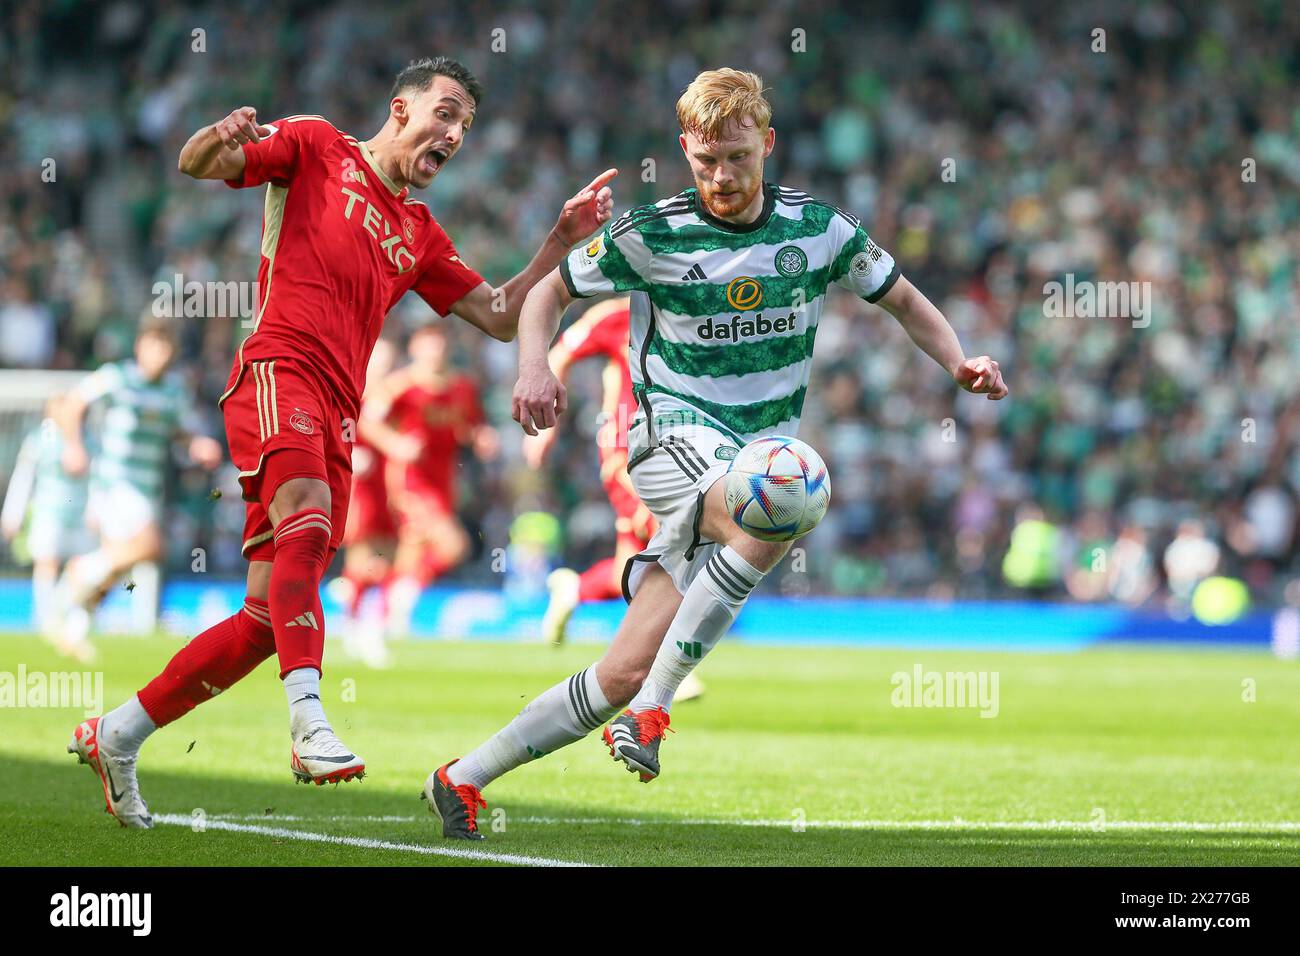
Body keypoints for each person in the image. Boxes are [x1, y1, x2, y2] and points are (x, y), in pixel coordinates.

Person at [424, 68, 1007, 839]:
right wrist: (535, 367)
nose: (722, 178)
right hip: (670, 444)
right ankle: (655, 714)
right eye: (706, 163)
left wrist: (958, 361)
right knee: (791, 490)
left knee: (619, 670)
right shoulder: (653, 233)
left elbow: (902, 298)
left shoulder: (815, 231)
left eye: (737, 158)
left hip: (748, 458)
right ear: (685, 153)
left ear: (766, 144)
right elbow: (544, 293)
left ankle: (462, 777)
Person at [70, 55, 616, 828]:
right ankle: (309, 722)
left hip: (339, 411)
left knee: (266, 618)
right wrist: (215, 133)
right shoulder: (318, 145)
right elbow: (198, 162)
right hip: (276, 369)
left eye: (465, 124)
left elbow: (498, 315)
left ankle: (118, 733)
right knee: (312, 522)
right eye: (446, 112)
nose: (455, 133)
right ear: (400, 108)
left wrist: (558, 240)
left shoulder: (420, 231)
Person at [523, 297, 705, 697]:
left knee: (632, 560)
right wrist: (549, 422)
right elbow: (561, 352)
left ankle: (578, 590)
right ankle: (666, 662)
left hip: (683, 446)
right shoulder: (614, 316)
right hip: (627, 449)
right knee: (674, 533)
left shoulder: (694, 309)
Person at [52, 319, 223, 662]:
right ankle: (79, 571)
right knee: (151, 547)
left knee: (117, 565)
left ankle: (76, 625)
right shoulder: (118, 376)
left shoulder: (174, 390)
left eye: (164, 348)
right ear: (139, 347)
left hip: (147, 488)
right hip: (115, 482)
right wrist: (73, 446)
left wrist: (198, 444)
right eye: (152, 345)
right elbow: (70, 403)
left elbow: (178, 431)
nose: (157, 354)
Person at [360, 321, 498, 640]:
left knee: (410, 555)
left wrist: (482, 439)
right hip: (410, 480)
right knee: (454, 545)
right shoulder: (400, 387)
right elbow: (367, 423)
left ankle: (379, 620)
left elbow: (472, 427)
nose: (436, 349)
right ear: (415, 348)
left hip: (444, 481)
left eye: (440, 342)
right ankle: (397, 602)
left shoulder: (461, 387)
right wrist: (395, 444)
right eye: (429, 342)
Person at [0, 396, 90, 641]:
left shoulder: (88, 438)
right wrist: (12, 513)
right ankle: (44, 621)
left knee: (79, 569)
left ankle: (74, 620)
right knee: (47, 563)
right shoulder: (39, 440)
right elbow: (24, 477)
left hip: (81, 515)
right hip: (48, 512)